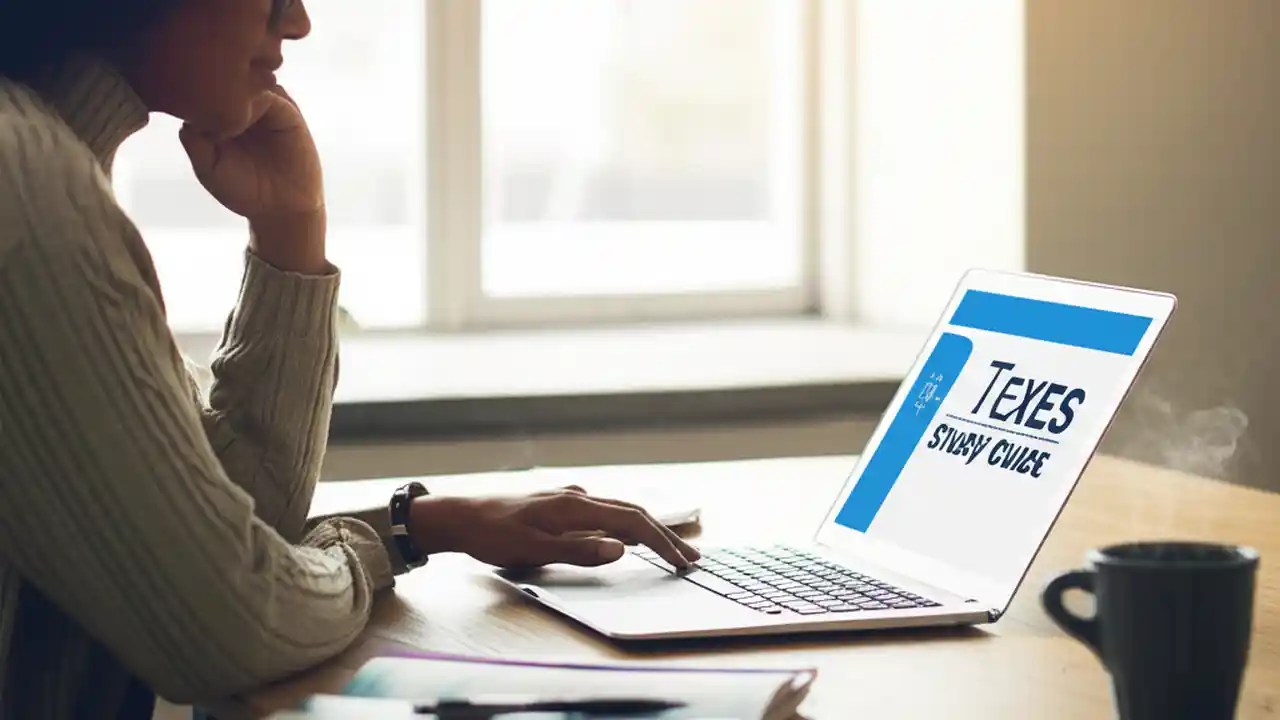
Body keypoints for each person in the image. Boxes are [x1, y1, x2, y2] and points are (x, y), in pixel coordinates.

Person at [0, 0, 701, 717]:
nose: (297, 20)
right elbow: (234, 625)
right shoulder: (28, 183)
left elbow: (231, 520)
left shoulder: (48, 165)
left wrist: (291, 228)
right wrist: (364, 545)